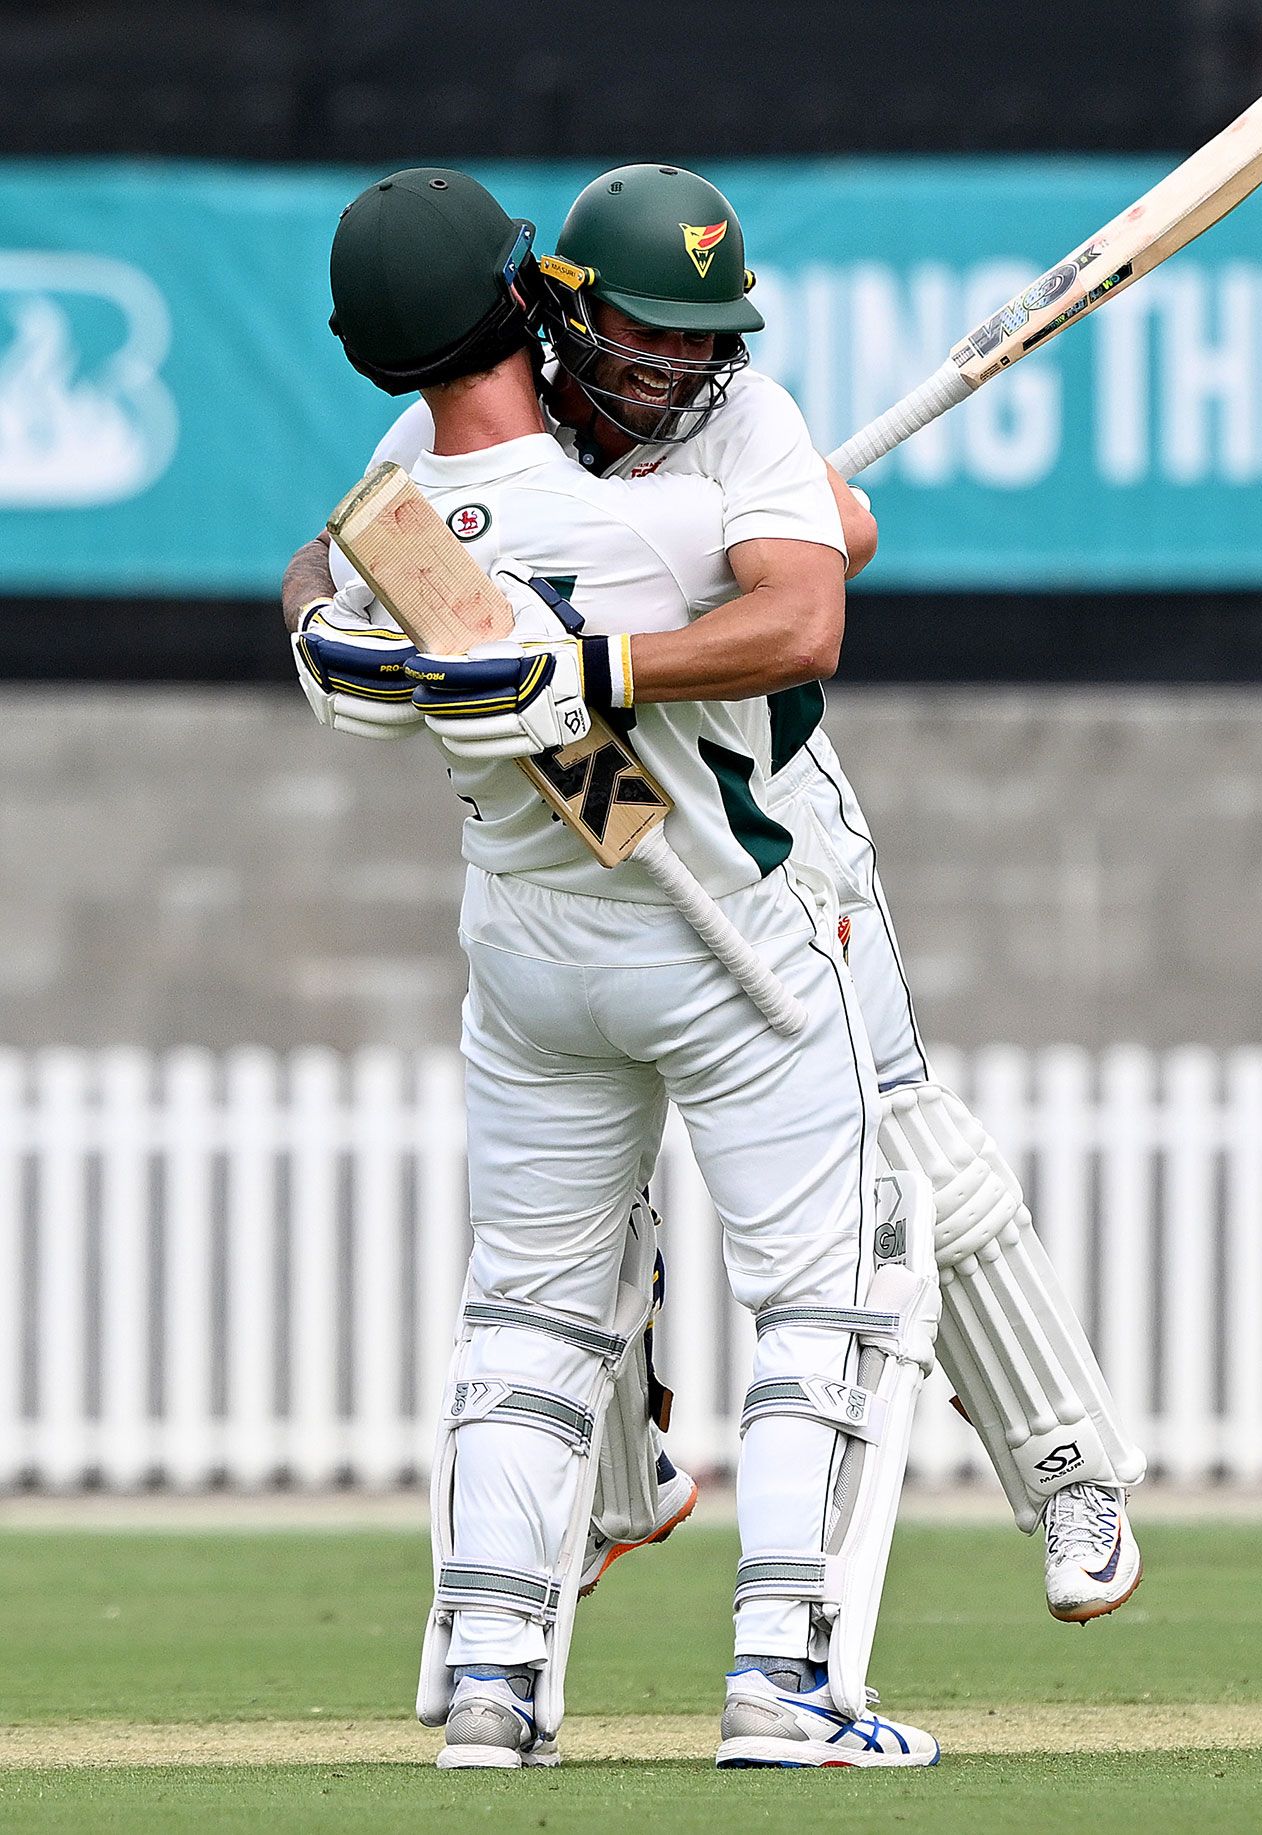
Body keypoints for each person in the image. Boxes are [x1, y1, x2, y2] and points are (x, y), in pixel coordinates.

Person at [284, 162, 1146, 1624]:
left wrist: (655, 617)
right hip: (595, 839)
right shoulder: (485, 408)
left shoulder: (749, 419)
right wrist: (323, 619)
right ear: (562, 310)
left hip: (779, 837)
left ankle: (1071, 1477)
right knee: (570, 1207)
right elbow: (346, 539)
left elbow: (806, 612)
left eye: (709, 336)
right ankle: (625, 1491)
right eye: (653, 334)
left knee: (914, 1167)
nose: (683, 366)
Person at [304, 164, 943, 1770]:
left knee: (526, 1310)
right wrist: (650, 617)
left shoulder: (393, 511)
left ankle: (495, 1688)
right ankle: (785, 1686)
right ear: (531, 300)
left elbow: (316, 577)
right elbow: (807, 606)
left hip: (529, 962)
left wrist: (332, 631)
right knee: (824, 1301)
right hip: (723, 941)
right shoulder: (648, 515)